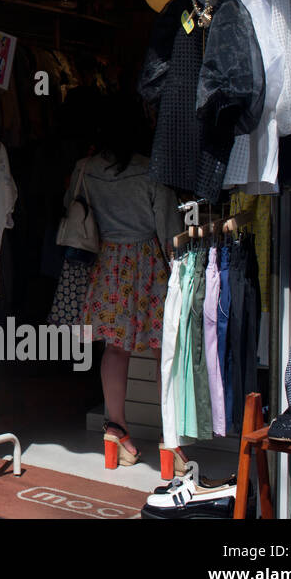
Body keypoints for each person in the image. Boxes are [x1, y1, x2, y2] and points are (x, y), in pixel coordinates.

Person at [71, 94, 183, 469]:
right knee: (161, 352)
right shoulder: (153, 173)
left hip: (108, 265)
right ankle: (172, 441)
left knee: (114, 351)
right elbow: (171, 233)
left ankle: (115, 431)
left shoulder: (84, 169)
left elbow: (74, 212)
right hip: (149, 265)